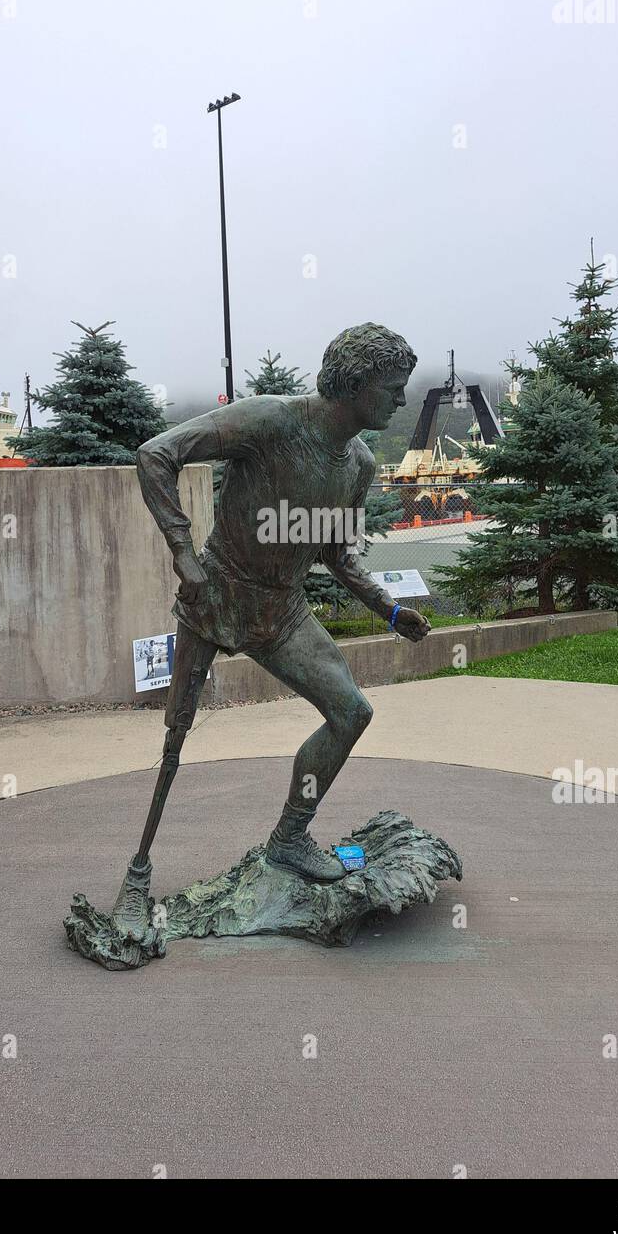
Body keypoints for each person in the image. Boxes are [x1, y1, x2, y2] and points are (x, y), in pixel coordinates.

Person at [136, 322, 430, 883]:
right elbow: (157, 455)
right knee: (176, 738)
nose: (401, 397)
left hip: (282, 611)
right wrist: (184, 556)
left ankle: (289, 839)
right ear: (357, 383)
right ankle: (138, 870)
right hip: (218, 595)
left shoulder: (360, 464)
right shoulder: (271, 420)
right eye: (393, 386)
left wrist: (389, 611)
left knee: (351, 713)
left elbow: (341, 558)